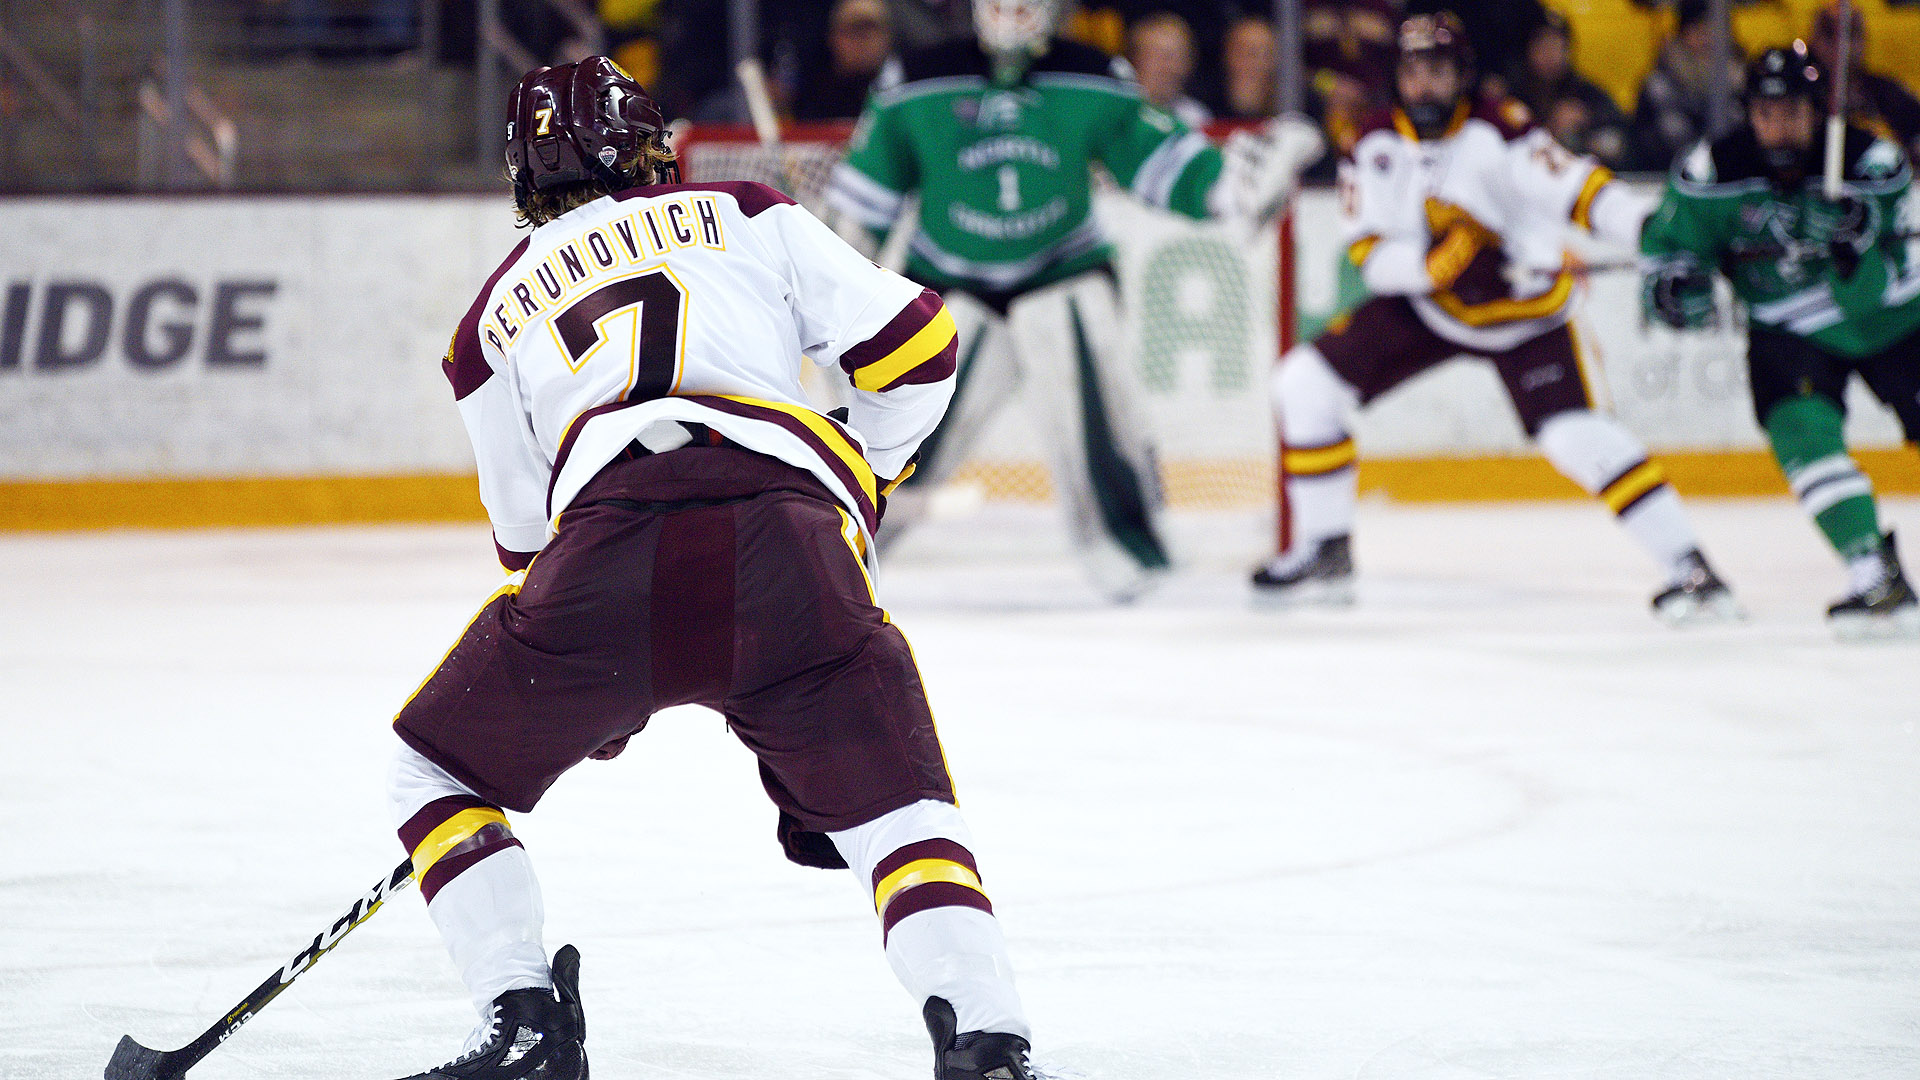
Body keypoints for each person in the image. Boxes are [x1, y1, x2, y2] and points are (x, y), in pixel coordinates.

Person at [388, 56, 1053, 1079]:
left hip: (605, 553)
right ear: (651, 144)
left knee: (433, 774)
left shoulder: (485, 326)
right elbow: (921, 349)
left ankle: (523, 1021)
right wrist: (856, 474)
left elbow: (528, 544)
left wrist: (590, 698)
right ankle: (986, 1037)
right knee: (897, 814)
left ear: (524, 176)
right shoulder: (743, 208)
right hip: (788, 542)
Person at [1250, 12, 1740, 623]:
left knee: (1573, 438)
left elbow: (1583, 192)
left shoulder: (1503, 133)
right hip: (1432, 310)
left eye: (1438, 70)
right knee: (1303, 385)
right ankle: (1324, 550)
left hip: (1524, 318)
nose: (1424, 84)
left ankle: (1690, 566)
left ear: (1462, 75)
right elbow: (1372, 256)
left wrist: (1655, 233)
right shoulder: (1374, 143)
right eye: (1413, 71)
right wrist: (1436, 269)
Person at [824, 0, 1320, 600]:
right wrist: (835, 279)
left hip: (1062, 270)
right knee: (903, 436)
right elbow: (867, 194)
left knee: (1076, 352)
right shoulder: (916, 77)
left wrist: (1230, 188)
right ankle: (834, 539)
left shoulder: (1092, 73)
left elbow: (1154, 157)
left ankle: (1131, 549)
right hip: (950, 281)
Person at [1641, 46, 1919, 637]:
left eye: (1793, 111)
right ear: (1748, 114)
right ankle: (1872, 570)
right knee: (1801, 434)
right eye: (1767, 113)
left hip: (1896, 320)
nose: (1779, 126)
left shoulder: (1874, 163)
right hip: (1787, 328)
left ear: (1818, 113)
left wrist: (1856, 243)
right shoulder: (1713, 171)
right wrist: (1672, 289)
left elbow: (1872, 291)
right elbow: (1668, 247)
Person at [1504, 11, 1631, 170]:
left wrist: (1585, 119)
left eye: (1558, 46)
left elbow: (1620, 130)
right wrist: (1547, 126)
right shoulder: (1513, 93)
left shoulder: (1584, 92)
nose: (1550, 54)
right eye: (1543, 46)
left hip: (1575, 179)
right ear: (1528, 49)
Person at [1632, 0, 1744, 171]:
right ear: (1683, 34)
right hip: (1667, 172)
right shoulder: (1661, 80)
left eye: (1713, 29)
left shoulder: (1736, 72)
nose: (1707, 37)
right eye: (1698, 30)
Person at [1808, 1, 1920, 163]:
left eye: (1851, 35)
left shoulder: (1886, 92)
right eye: (1829, 35)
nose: (1841, 46)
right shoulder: (1800, 94)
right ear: (1813, 38)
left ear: (1864, 39)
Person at [795, 0, 897, 120]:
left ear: (888, 36)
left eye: (870, 29)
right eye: (853, 30)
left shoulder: (910, 84)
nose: (861, 41)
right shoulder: (812, 92)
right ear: (833, 39)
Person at [1128, 11, 1211, 129]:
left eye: (1181, 58)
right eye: (1162, 56)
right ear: (1136, 59)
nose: (1171, 68)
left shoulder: (1196, 118)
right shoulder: (1117, 112)